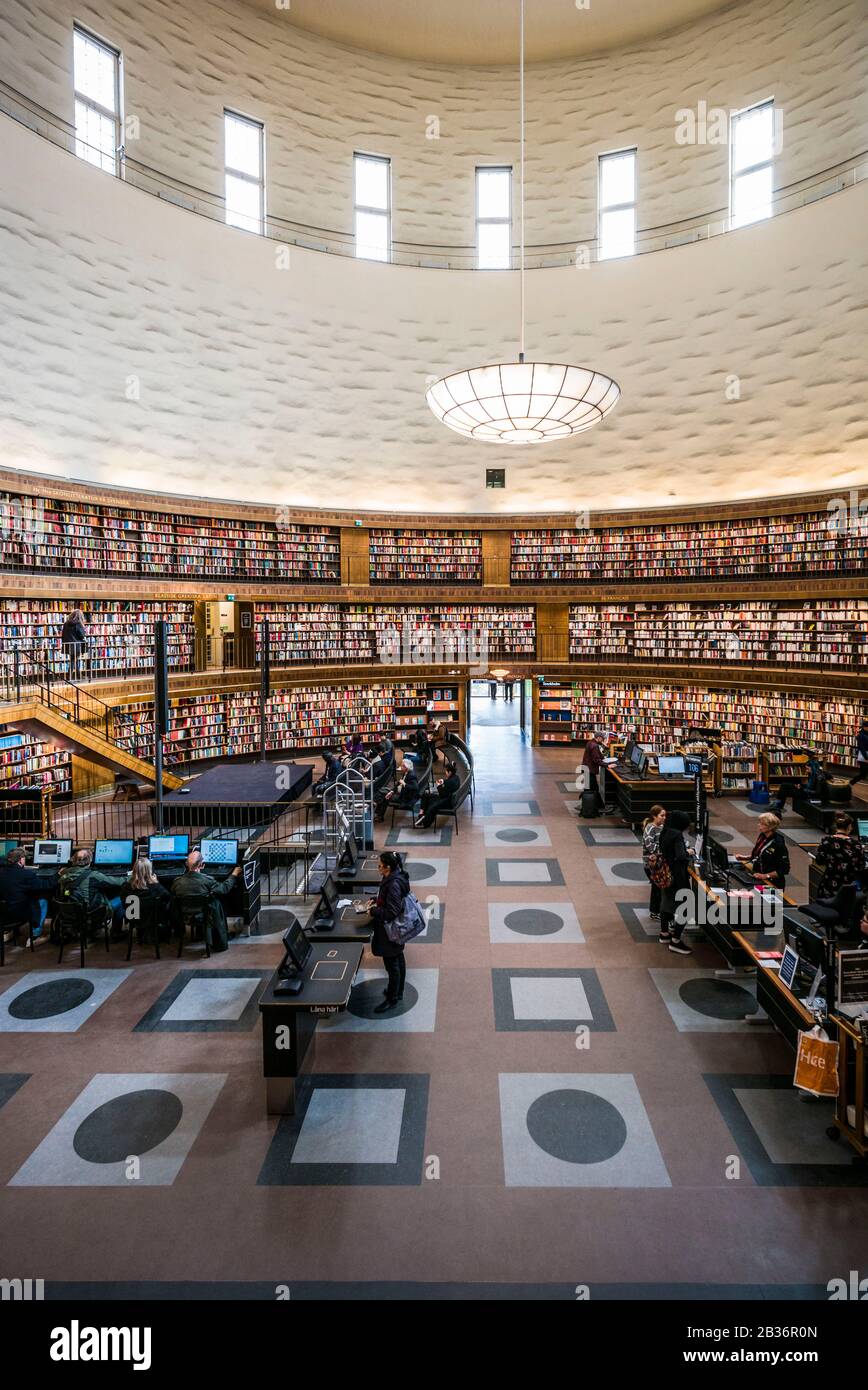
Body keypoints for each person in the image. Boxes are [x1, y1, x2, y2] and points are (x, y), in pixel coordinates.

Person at [170, 850, 242, 953]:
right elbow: (224, 889)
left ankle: (197, 934)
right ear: (202, 865)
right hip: (205, 916)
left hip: (185, 915)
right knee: (216, 902)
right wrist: (234, 875)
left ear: (186, 864)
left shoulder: (177, 882)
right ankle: (219, 939)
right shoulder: (208, 881)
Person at [368, 851, 410, 1013]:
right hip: (396, 930)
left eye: (379, 865)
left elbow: (391, 912)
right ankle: (398, 992)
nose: (377, 867)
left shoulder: (393, 884)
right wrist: (376, 901)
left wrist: (373, 912)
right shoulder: (395, 877)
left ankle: (392, 998)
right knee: (398, 957)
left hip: (390, 930)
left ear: (388, 867)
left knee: (392, 964)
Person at [56, 848, 128, 939]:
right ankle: (116, 933)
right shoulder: (93, 875)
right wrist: (134, 877)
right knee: (121, 898)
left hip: (71, 914)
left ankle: (92, 929)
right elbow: (117, 882)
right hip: (92, 913)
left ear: (73, 860)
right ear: (90, 861)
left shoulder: (63, 873)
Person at [0, 846, 55, 939]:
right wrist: (58, 875)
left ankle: (10, 930)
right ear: (21, 860)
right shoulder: (26, 874)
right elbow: (45, 885)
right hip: (19, 911)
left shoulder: (2, 872)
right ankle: (35, 935)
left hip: (4, 911)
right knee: (42, 900)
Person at [658, 809, 692, 954]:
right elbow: (681, 856)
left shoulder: (664, 831)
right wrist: (688, 852)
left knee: (666, 902)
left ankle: (664, 933)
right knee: (687, 906)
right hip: (677, 877)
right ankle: (676, 940)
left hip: (665, 875)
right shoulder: (677, 835)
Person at [813, 813, 866, 898]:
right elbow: (861, 865)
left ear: (836, 826)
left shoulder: (826, 841)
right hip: (848, 889)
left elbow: (819, 861)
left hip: (828, 887)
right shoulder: (856, 844)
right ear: (849, 827)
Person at [121, 857, 173, 942]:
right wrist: (156, 882)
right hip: (153, 918)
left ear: (134, 870)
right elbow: (167, 897)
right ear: (150, 871)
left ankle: (141, 933)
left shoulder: (126, 887)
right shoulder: (155, 887)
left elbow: (124, 904)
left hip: (134, 919)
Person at [735, 811, 790, 891]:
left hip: (773, 883)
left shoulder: (778, 843)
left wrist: (765, 876)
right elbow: (759, 854)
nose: (759, 825)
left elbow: (785, 869)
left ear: (770, 827)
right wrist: (746, 857)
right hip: (758, 876)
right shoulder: (762, 835)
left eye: (762, 824)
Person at [415, 760, 461, 829]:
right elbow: (448, 785)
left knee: (432, 806)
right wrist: (443, 781)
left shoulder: (450, 782)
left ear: (450, 772)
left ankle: (425, 823)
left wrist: (438, 786)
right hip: (448, 798)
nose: (445, 772)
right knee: (425, 795)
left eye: (446, 771)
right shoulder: (456, 778)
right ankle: (421, 814)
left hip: (447, 802)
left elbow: (442, 794)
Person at [641, 805, 667, 922]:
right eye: (661, 815)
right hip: (651, 864)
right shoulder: (650, 829)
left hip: (660, 862)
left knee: (657, 887)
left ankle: (656, 910)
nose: (664, 818)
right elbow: (651, 846)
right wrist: (666, 850)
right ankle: (655, 911)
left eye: (665, 815)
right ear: (654, 816)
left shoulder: (662, 827)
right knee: (657, 887)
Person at [60, 608, 88, 680]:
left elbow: (63, 635)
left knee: (75, 659)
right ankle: (69, 677)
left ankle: (79, 676)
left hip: (68, 645)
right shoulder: (78, 624)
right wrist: (84, 631)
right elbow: (81, 635)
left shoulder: (66, 624)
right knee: (73, 660)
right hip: (76, 645)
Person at [582, 733, 605, 810]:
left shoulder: (590, 742)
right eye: (602, 738)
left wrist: (603, 757)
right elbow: (596, 760)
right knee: (592, 789)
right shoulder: (594, 746)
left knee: (590, 788)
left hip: (586, 768)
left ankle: (595, 805)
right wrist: (607, 765)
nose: (603, 740)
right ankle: (590, 807)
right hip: (590, 770)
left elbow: (598, 755)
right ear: (598, 737)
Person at [849, 720, 868, 786]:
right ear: (864, 727)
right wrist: (866, 758)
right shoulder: (861, 735)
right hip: (864, 756)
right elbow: (862, 748)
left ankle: (851, 783)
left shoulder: (866, 734)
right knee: (863, 774)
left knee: (863, 774)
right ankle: (851, 783)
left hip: (865, 755)